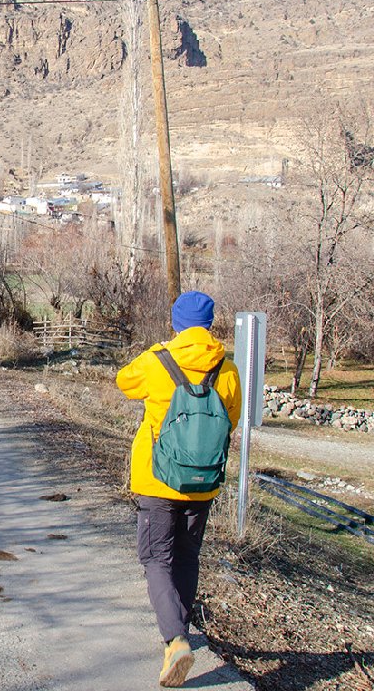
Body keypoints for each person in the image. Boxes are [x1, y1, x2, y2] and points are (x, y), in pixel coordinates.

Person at [116, 290, 242, 687]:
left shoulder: (157, 361)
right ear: (210, 325)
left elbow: (123, 381)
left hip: (156, 480)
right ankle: (180, 630)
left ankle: (175, 641)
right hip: (201, 482)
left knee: (156, 558)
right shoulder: (227, 368)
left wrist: (159, 350)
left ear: (175, 324)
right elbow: (231, 419)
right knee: (187, 557)